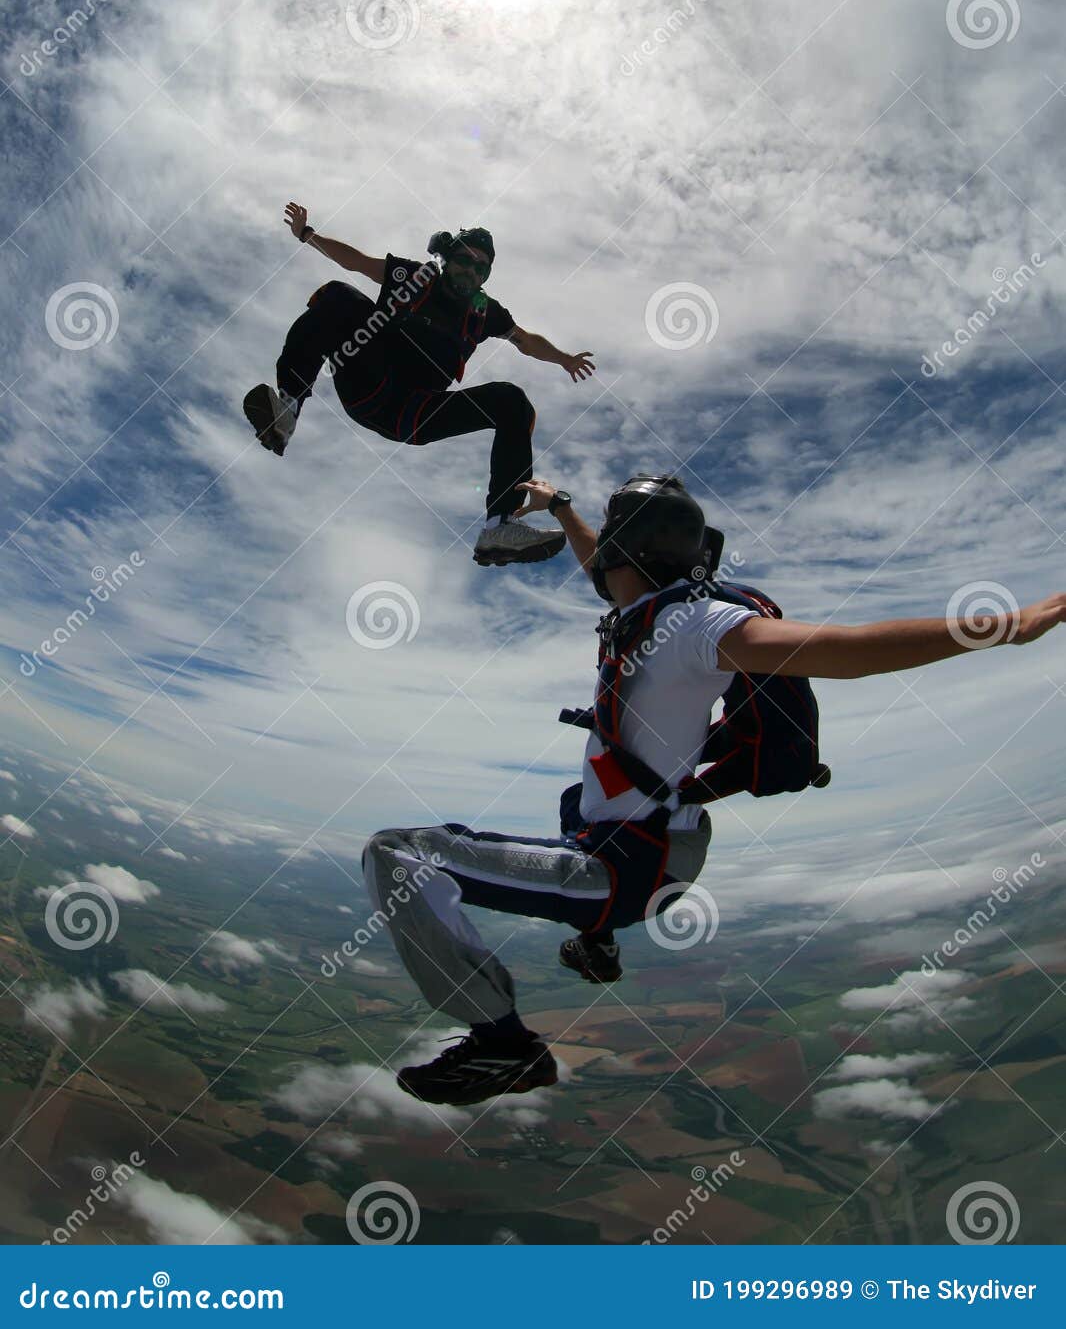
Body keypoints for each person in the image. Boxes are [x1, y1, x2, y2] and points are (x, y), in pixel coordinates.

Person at [362, 473, 1066, 1106]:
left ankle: (505, 1046)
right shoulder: (643, 612)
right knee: (577, 804)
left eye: (609, 541)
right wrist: (562, 505)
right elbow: (596, 563)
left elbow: (846, 647)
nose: (598, 556)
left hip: (630, 866)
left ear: (628, 551)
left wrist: (1009, 627)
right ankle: (597, 941)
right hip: (637, 840)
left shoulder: (693, 624)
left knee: (399, 857)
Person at [242, 204, 595, 566]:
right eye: (464, 260)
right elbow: (356, 261)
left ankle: (499, 526)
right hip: (369, 382)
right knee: (340, 296)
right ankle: (287, 409)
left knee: (513, 402)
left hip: (414, 412)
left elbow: (526, 341)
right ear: (448, 258)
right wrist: (307, 235)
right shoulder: (414, 277)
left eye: (480, 267)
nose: (470, 272)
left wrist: (564, 359)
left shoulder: (484, 311)